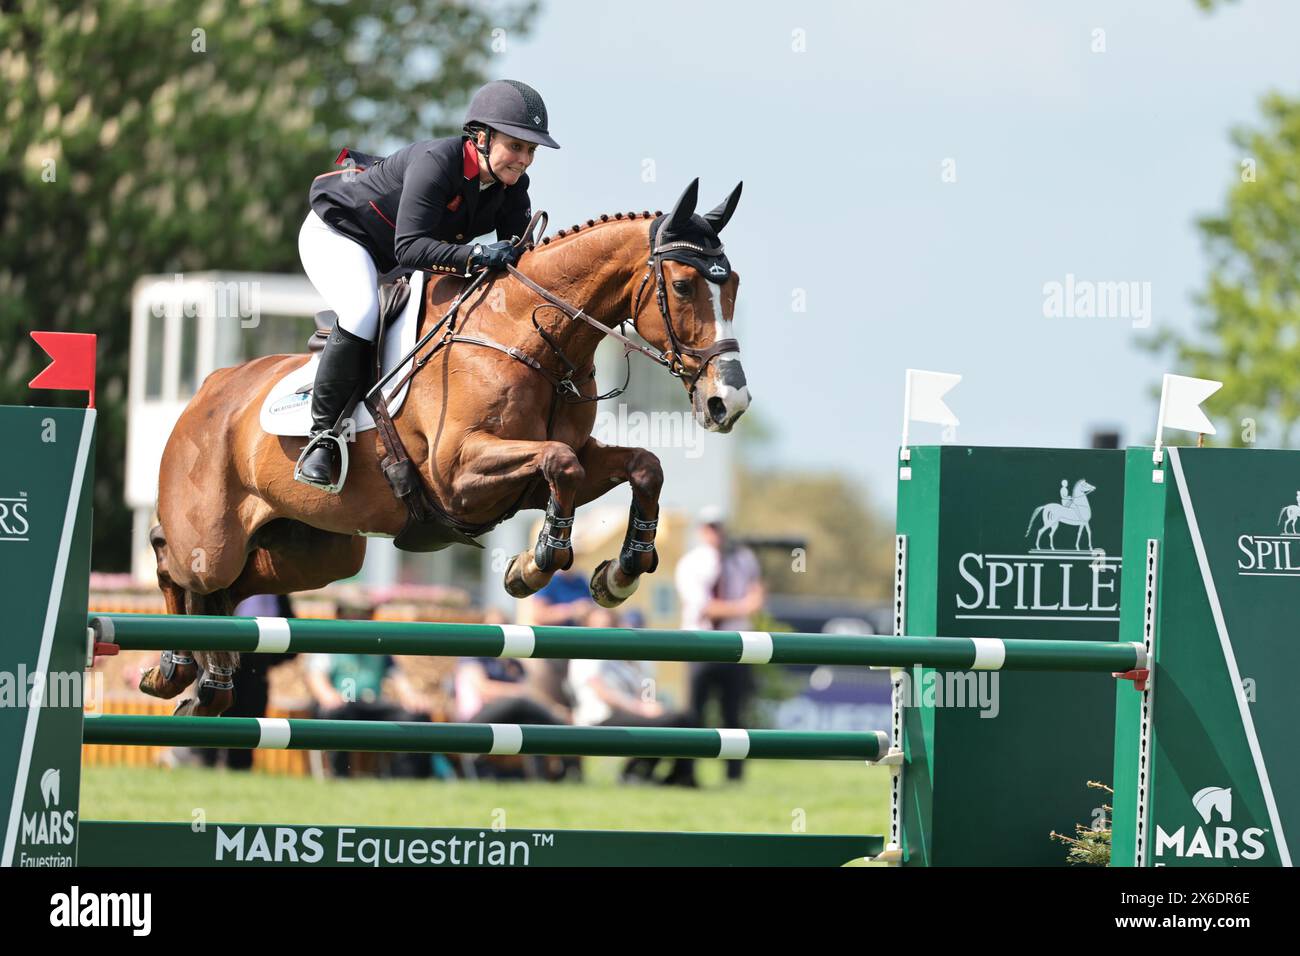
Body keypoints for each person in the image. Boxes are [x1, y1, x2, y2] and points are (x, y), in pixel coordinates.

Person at [295, 79, 561, 490]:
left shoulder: (513, 187)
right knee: (363, 311)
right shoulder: (439, 161)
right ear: (482, 137)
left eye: (531, 150)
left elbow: (522, 264)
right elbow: (409, 248)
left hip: (397, 255)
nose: (524, 159)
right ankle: (322, 437)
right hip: (341, 234)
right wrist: (476, 256)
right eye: (516, 145)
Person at [674, 505, 765, 783]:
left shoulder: (743, 558)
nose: (717, 533)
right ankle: (688, 773)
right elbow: (705, 609)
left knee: (734, 714)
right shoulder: (692, 562)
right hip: (700, 644)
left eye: (720, 526)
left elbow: (757, 596)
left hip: (737, 645)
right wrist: (743, 606)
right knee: (694, 714)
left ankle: (734, 776)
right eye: (712, 527)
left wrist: (746, 605)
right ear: (703, 531)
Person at [569, 607, 697, 787]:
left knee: (682, 718)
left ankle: (664, 775)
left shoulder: (625, 658)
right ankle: (645, 773)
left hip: (627, 713)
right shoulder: (587, 651)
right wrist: (640, 708)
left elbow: (647, 688)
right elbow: (603, 693)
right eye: (600, 626)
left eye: (610, 626)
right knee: (670, 722)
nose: (606, 631)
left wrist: (649, 704)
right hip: (600, 717)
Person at [304, 645, 435, 778]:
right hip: (342, 704)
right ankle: (339, 776)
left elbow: (397, 676)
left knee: (414, 716)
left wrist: (411, 697)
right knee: (336, 715)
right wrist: (327, 694)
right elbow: (315, 676)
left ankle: (407, 778)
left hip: (373, 704)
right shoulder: (330, 644)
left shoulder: (378, 644)